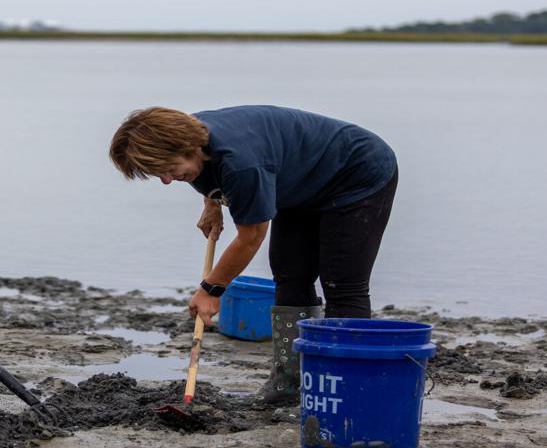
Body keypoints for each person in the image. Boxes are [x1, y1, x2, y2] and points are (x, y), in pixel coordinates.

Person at [109, 105, 398, 407]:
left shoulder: (241, 164)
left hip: (356, 173)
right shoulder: (186, 137)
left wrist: (212, 289)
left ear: (187, 146)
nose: (167, 181)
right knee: (290, 274)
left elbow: (250, 238)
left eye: (168, 169)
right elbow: (212, 174)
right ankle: (289, 386)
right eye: (158, 175)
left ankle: (343, 391)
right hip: (298, 184)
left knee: (341, 284)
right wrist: (213, 203)